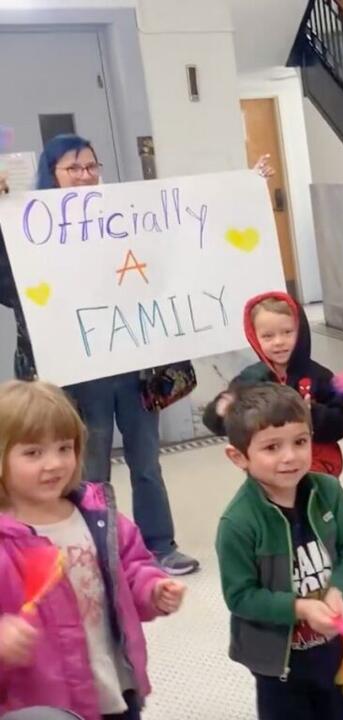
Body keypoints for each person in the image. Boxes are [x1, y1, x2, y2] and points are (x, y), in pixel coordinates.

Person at [10, 135, 199, 574]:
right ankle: (97, 550)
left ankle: (159, 545)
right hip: (82, 371)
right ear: (52, 174)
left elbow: (161, 266)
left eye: (91, 166)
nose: (85, 176)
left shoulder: (123, 218)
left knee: (146, 461)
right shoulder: (31, 229)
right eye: (73, 168)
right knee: (91, 467)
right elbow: (10, 286)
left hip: (135, 365)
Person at [0, 380, 185, 720]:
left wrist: (153, 589)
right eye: (33, 453)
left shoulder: (97, 514)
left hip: (115, 684)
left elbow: (132, 565)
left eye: (64, 448)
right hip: (47, 703)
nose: (54, 464)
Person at [215, 383, 343, 720]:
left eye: (300, 441)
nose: (290, 456)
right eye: (272, 447)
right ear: (238, 457)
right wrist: (300, 608)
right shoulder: (238, 523)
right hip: (278, 664)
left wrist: (339, 589)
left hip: (334, 647)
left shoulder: (328, 491)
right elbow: (240, 597)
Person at [203, 292, 343, 476]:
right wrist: (220, 412)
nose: (279, 342)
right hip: (268, 469)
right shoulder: (250, 379)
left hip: (316, 467)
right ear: (254, 337)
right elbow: (221, 424)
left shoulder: (319, 376)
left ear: (301, 332)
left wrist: (311, 414)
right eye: (268, 336)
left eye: (287, 332)